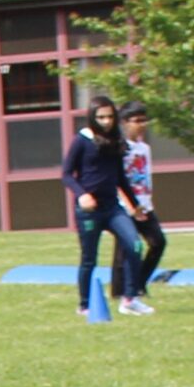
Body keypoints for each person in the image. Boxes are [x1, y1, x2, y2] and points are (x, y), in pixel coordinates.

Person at [59, 93, 141, 319]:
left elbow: (121, 178)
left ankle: (130, 299)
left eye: (110, 117)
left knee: (134, 245)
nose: (106, 121)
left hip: (113, 207)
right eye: (101, 117)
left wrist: (135, 205)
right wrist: (82, 195)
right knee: (89, 259)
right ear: (93, 118)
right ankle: (85, 304)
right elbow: (66, 175)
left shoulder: (115, 141)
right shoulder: (82, 140)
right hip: (89, 211)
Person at [114, 101, 166, 318]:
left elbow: (145, 176)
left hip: (144, 204)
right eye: (136, 121)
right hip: (124, 206)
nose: (141, 125)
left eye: (144, 120)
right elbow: (116, 178)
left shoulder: (145, 148)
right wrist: (126, 203)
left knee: (158, 242)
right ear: (125, 123)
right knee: (126, 249)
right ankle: (123, 293)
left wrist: (146, 201)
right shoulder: (118, 147)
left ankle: (137, 285)